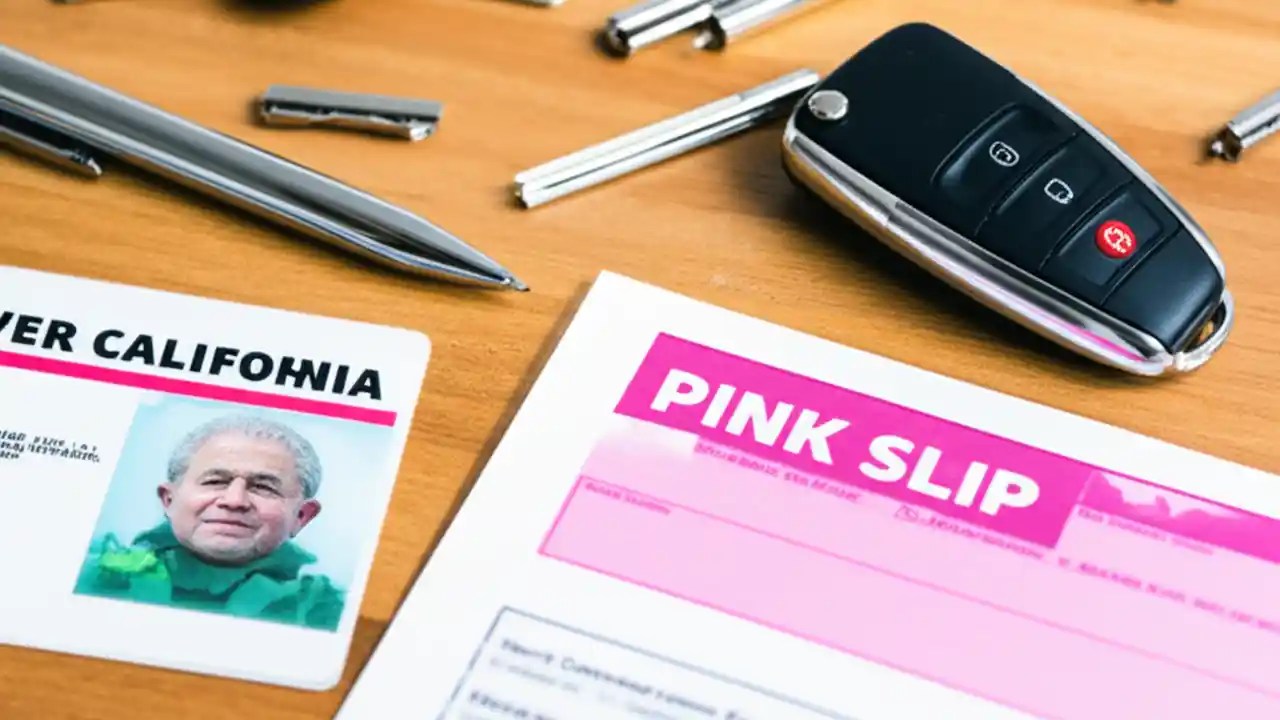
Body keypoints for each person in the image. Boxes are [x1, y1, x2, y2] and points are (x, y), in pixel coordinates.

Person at [75, 413, 345, 631]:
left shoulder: (325, 611)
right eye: (215, 481)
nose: (234, 500)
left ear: (302, 516)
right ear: (169, 500)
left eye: (264, 487)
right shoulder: (91, 574)